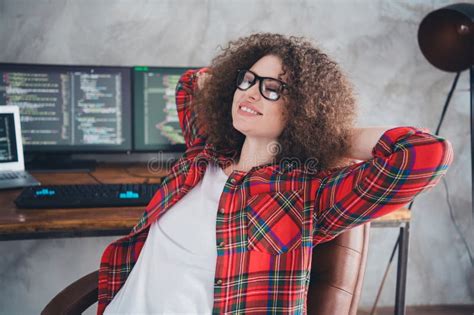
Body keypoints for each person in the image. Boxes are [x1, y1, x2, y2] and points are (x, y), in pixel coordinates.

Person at [99, 33, 454, 314]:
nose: (251, 92)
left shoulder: (307, 196)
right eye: (247, 79)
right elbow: (193, 83)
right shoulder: (204, 152)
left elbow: (426, 154)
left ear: (302, 110)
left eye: (272, 88)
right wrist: (244, 82)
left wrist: (332, 137)